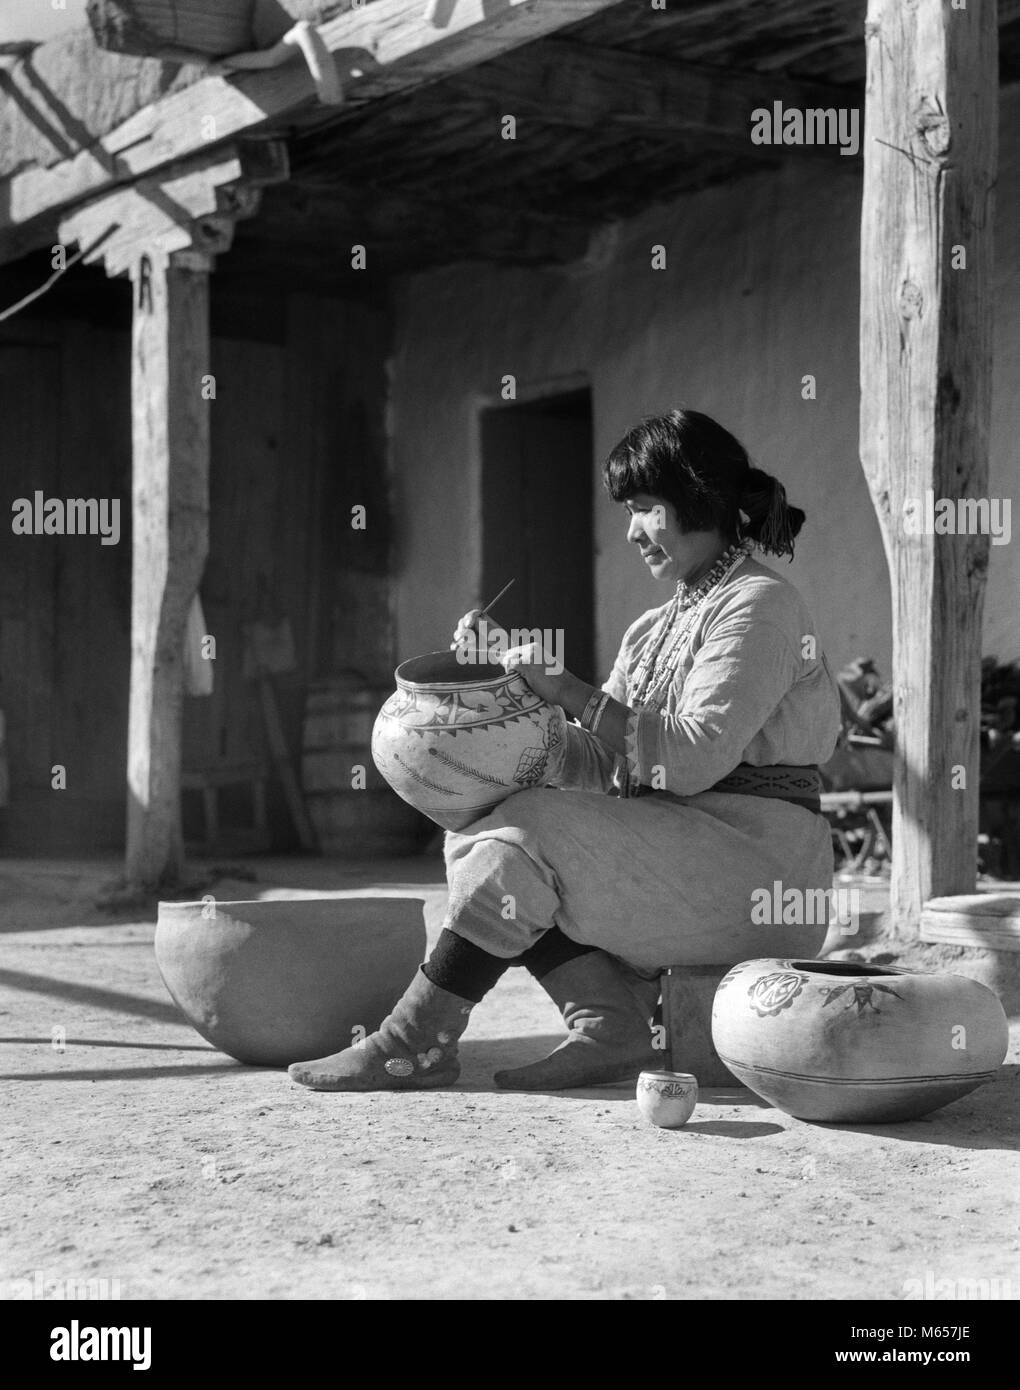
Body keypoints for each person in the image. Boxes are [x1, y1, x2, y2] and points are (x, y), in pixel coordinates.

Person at [289, 409, 843, 1093]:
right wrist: (508, 686)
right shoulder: (652, 629)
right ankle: (610, 1024)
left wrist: (570, 689)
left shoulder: (760, 605)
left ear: (699, 496)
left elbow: (691, 758)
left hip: (761, 870)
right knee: (484, 828)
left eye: (645, 509)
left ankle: (414, 1039)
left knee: (530, 836)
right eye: (629, 512)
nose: (632, 531)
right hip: (683, 844)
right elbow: (597, 766)